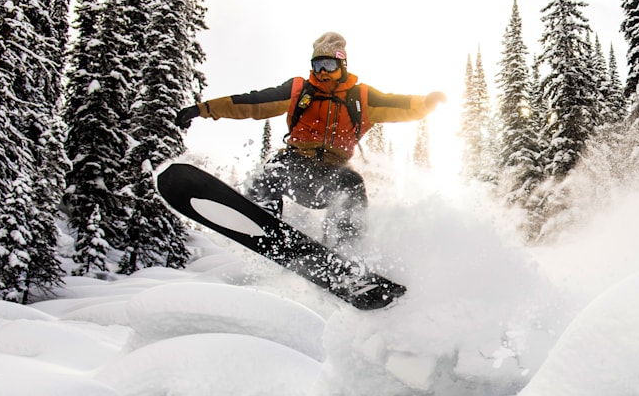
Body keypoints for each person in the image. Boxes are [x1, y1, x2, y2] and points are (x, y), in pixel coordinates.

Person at [176, 32, 445, 247]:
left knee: (352, 184)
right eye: (318, 65)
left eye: (329, 65)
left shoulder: (360, 97)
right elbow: (252, 102)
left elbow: (398, 104)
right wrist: (203, 109)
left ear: (342, 65)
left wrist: (426, 103)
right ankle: (261, 222)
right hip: (296, 164)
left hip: (332, 174)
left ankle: (344, 247)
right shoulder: (298, 90)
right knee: (272, 172)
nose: (323, 72)